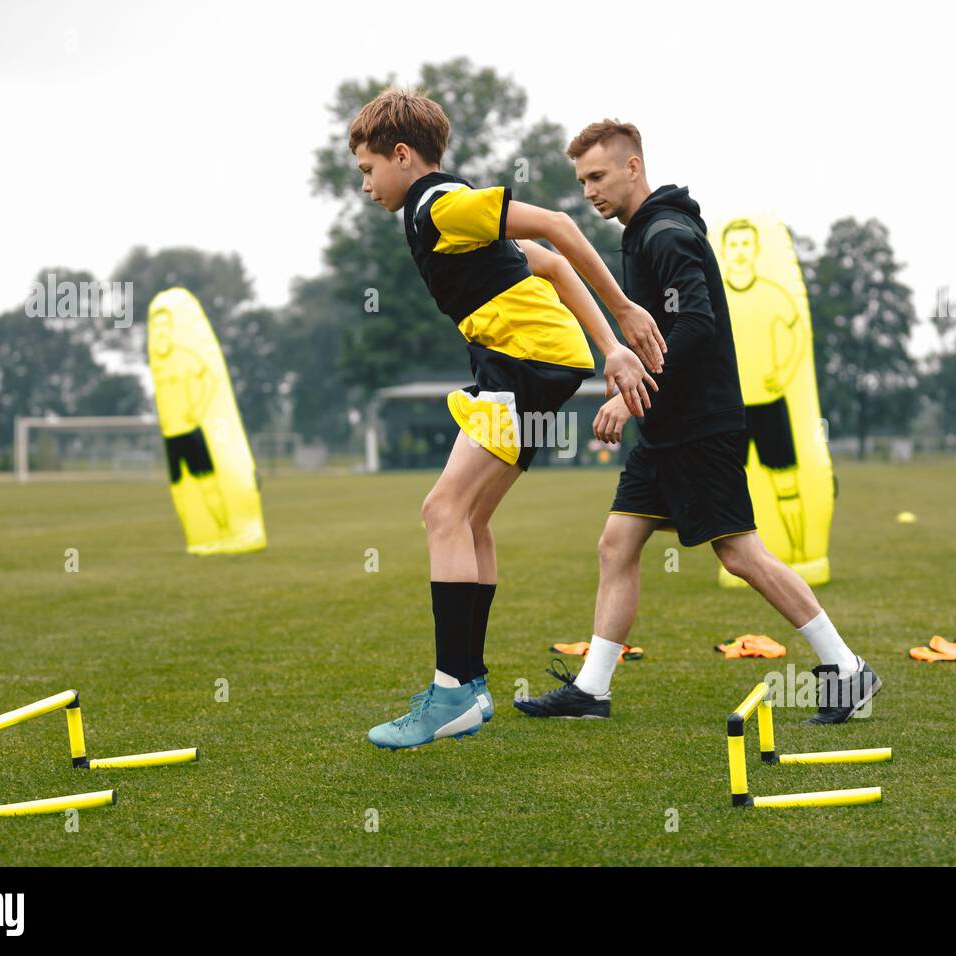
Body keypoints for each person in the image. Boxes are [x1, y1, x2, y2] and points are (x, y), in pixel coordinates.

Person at [514, 120, 880, 724]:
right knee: (617, 544)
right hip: (665, 429)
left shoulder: (665, 233)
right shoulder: (642, 233)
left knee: (740, 554)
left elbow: (698, 324)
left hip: (700, 428)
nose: (589, 192)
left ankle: (846, 669)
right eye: (581, 182)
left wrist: (631, 390)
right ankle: (592, 690)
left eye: (598, 177)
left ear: (634, 167)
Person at [348, 90, 666, 749]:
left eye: (367, 168)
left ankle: (451, 693)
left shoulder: (438, 203)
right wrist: (606, 348)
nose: (365, 184)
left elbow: (558, 228)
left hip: (521, 363)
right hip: (525, 364)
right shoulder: (439, 214)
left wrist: (624, 322)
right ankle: (469, 687)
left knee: (443, 511)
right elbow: (544, 265)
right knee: (467, 518)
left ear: (403, 156)